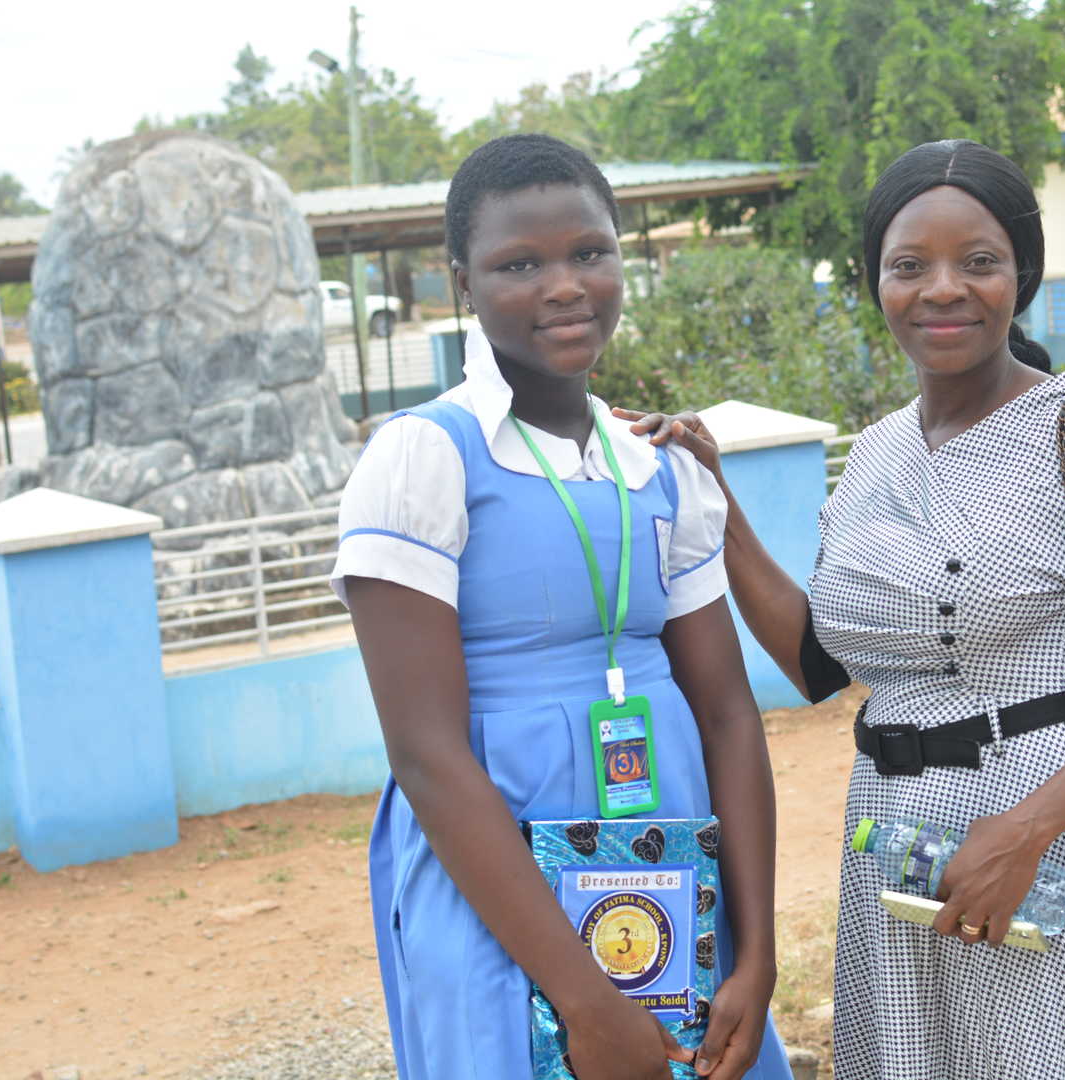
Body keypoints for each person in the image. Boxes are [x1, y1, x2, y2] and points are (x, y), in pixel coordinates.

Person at [619, 139, 1065, 1079]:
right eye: (911, 266)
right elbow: (819, 661)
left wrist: (1024, 832)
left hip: (1052, 846)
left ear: (1019, 275)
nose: (943, 289)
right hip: (897, 847)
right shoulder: (872, 456)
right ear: (878, 282)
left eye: (978, 262)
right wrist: (717, 501)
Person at [331, 134, 794, 1080]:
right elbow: (425, 750)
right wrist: (584, 1001)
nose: (564, 286)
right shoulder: (426, 459)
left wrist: (755, 952)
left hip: (675, 889)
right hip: (503, 903)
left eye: (590, 252)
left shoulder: (661, 467)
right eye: (519, 264)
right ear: (462, 284)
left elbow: (727, 713)